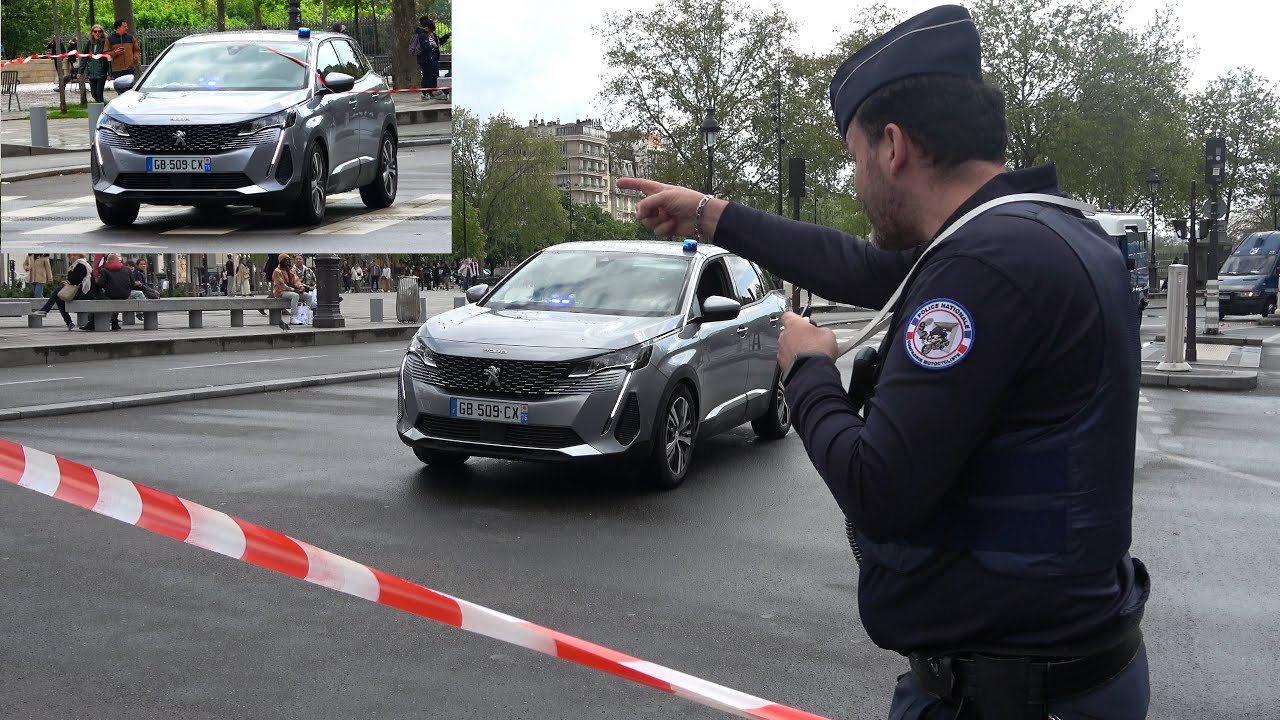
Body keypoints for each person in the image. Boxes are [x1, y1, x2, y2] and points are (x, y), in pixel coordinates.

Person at [618, 6, 1149, 719]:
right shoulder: (1044, 232)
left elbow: (880, 489)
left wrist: (806, 370)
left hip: (1007, 692)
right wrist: (712, 214)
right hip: (1056, 671)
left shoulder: (984, 269)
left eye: (855, 157)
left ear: (893, 146)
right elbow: (866, 268)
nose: (859, 180)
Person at [31, 254, 93, 330]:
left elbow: (74, 280)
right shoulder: (80, 264)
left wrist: (70, 273)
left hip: (85, 293)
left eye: (75, 255)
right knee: (58, 296)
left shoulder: (81, 265)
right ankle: (68, 322)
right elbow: (76, 280)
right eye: (70, 256)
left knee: (57, 292)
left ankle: (45, 310)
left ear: (80, 256)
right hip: (82, 291)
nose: (72, 257)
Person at [87, 253, 134, 331]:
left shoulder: (105, 270)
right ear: (118, 260)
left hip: (110, 295)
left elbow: (101, 284)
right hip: (125, 295)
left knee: (96, 298)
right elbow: (132, 283)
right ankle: (114, 322)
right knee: (117, 296)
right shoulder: (127, 269)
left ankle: (92, 322)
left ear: (108, 261)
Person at [78, 25, 110, 103]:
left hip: (101, 73)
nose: (97, 33)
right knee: (93, 94)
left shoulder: (105, 43)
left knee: (99, 93)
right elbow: (84, 57)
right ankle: (103, 107)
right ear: (92, 33)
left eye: (99, 31)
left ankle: (101, 110)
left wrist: (109, 73)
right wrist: (80, 71)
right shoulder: (89, 44)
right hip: (91, 73)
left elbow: (108, 59)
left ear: (102, 33)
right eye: (95, 31)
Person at [271, 254, 305, 322]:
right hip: (280, 292)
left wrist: (301, 287)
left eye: (288, 260)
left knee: (308, 296)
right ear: (281, 262)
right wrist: (294, 290)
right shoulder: (277, 271)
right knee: (295, 296)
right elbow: (282, 286)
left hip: (291, 291)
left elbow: (296, 280)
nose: (287, 262)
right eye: (285, 261)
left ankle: (304, 316)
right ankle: (293, 317)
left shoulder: (290, 271)